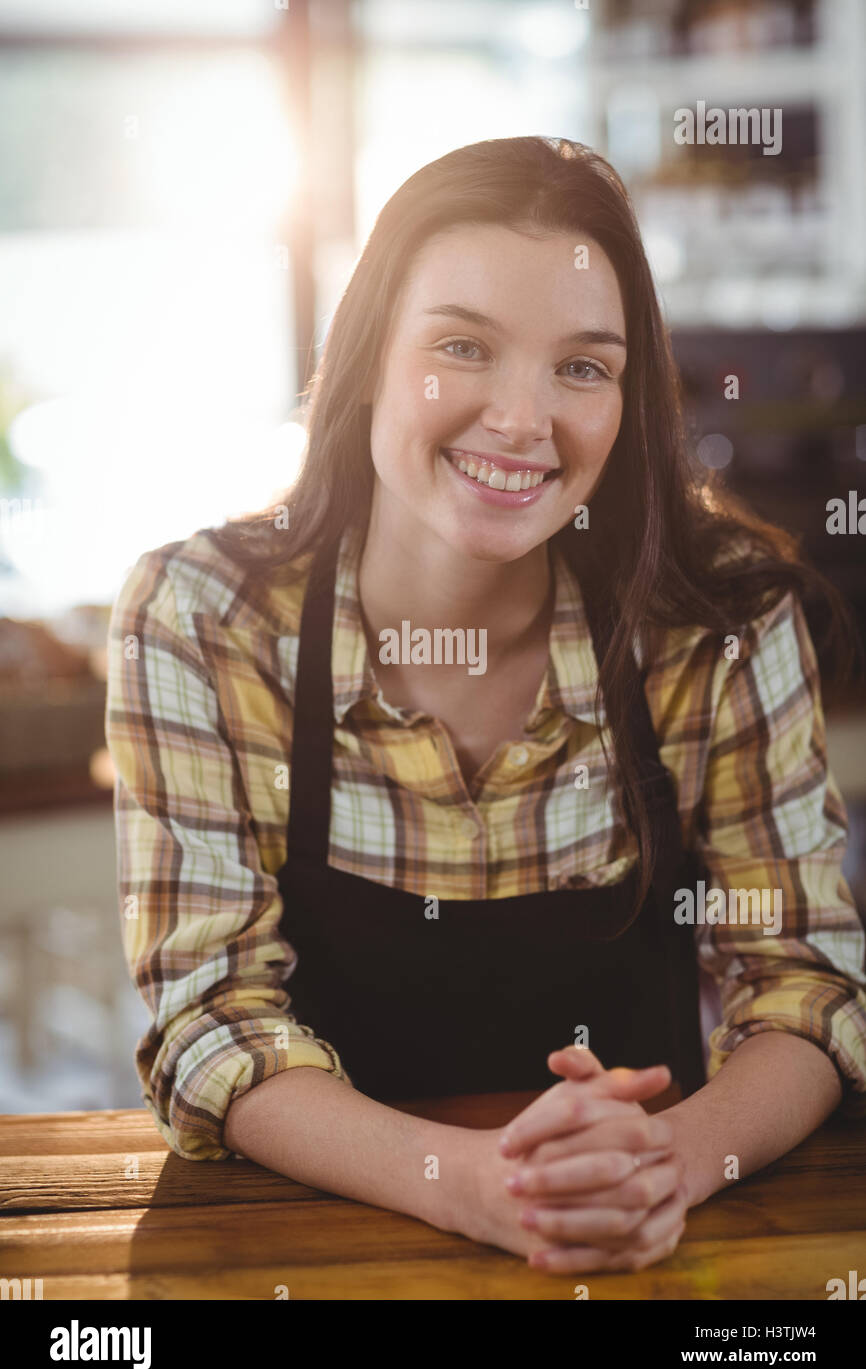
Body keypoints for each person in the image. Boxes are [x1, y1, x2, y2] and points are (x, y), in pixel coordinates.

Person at [105, 137, 866, 1276]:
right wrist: (470, 1184)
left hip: (639, 1249)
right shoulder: (202, 619)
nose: (520, 420)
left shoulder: (718, 619)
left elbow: (806, 979)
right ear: (366, 356)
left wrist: (666, 1160)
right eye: (461, 347)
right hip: (309, 1258)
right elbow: (210, 1017)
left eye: (581, 366)